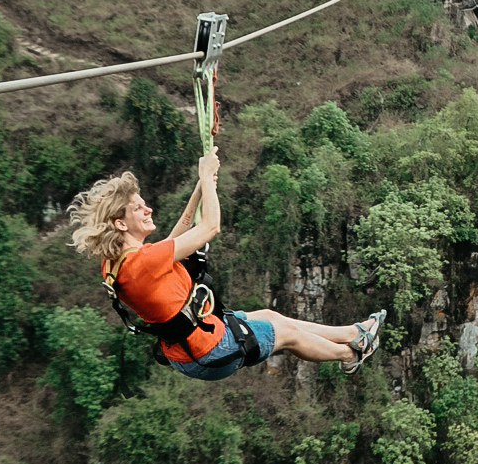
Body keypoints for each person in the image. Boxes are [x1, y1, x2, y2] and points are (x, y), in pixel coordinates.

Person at [66, 150, 385, 381]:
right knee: (285, 332)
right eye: (138, 209)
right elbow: (210, 228)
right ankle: (351, 353)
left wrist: (199, 189)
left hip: (190, 348)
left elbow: (178, 236)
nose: (148, 209)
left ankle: (351, 332)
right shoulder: (142, 262)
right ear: (121, 224)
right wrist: (207, 178)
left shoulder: (118, 262)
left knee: (271, 316)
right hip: (209, 351)